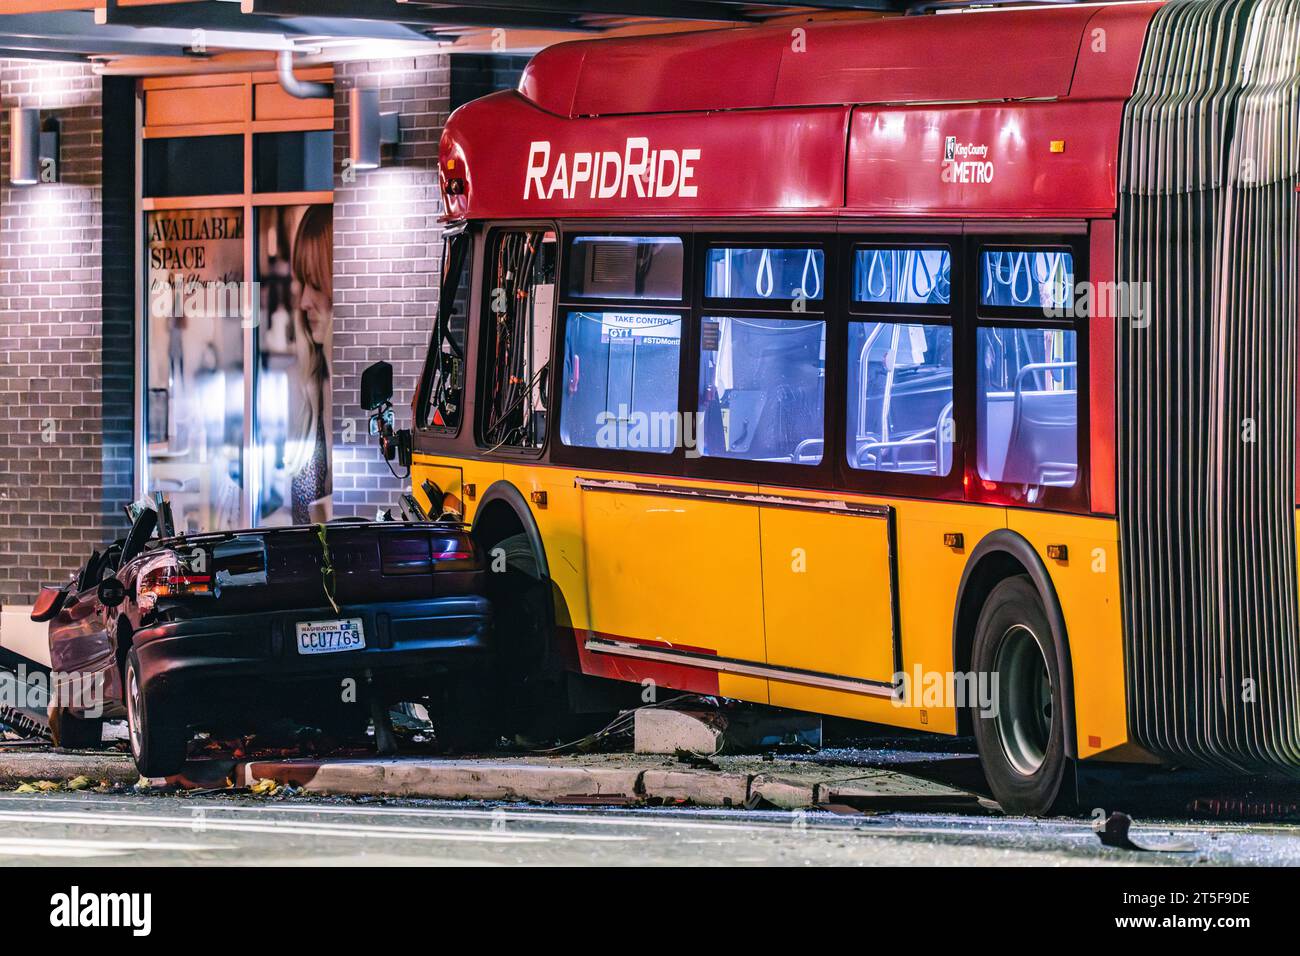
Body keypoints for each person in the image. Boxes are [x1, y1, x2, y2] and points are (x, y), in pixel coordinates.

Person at [286, 204, 333, 524]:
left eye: (315, 284)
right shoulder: (311, 385)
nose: (304, 301)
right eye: (302, 283)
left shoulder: (354, 399)